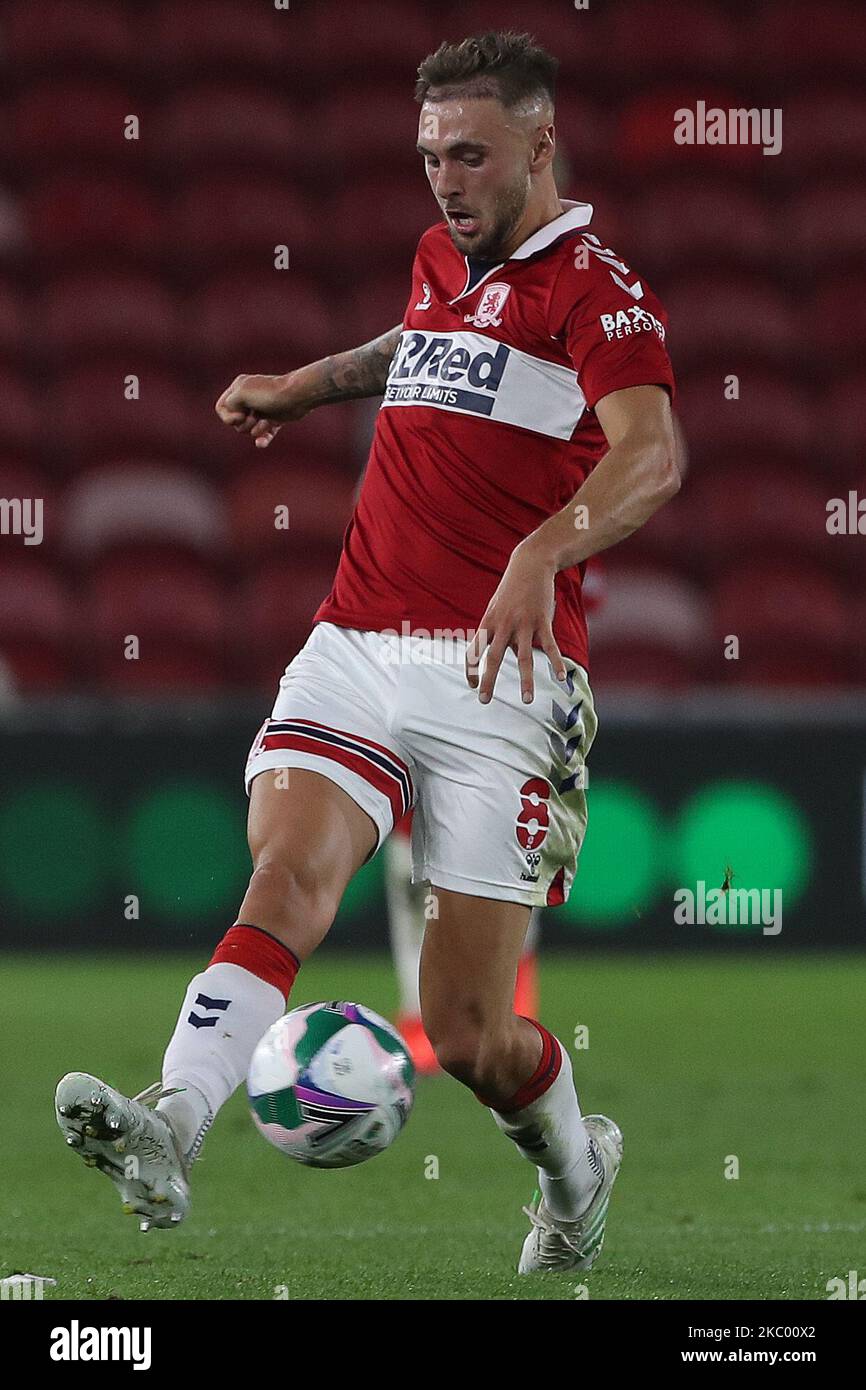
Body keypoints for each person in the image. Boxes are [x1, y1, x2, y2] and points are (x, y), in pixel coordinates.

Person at [56, 30, 679, 1275]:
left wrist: (540, 551)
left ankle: (574, 1172)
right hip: (354, 640)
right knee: (285, 875)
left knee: (463, 1033)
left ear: (538, 145)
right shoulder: (442, 255)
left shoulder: (598, 294)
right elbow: (419, 345)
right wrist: (307, 382)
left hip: (502, 680)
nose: (444, 179)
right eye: (428, 155)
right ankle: (172, 1125)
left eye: (470, 153)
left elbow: (650, 452)